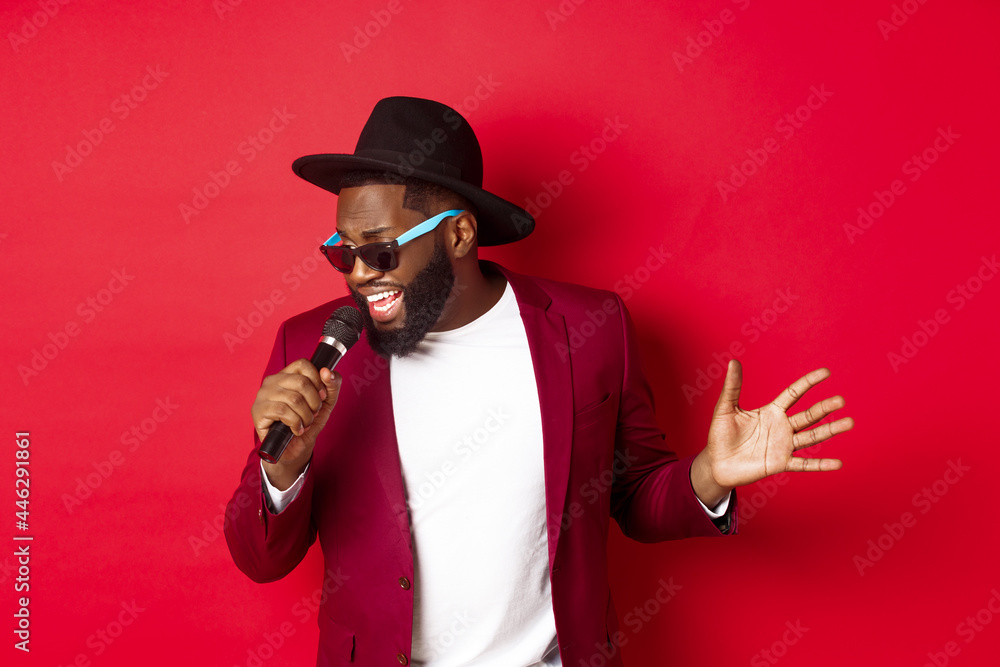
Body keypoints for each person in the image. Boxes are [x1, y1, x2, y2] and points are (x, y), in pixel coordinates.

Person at [224, 96, 853, 667]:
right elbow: (260, 558)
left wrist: (710, 475)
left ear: (458, 234)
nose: (359, 275)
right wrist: (282, 471)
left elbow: (634, 495)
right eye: (343, 253)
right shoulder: (314, 349)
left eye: (380, 250)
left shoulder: (589, 327)